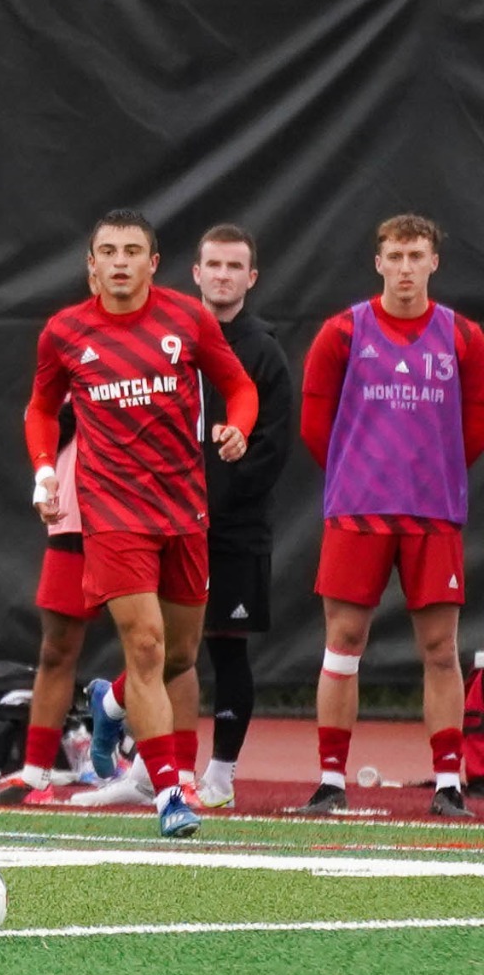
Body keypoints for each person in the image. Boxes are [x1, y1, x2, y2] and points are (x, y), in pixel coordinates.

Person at [26, 209, 255, 838]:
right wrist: (46, 472)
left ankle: (109, 700)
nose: (120, 261)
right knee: (148, 645)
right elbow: (42, 409)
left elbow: (239, 386)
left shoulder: (187, 318)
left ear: (153, 263)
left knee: (180, 656)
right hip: (113, 514)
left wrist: (239, 426)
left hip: (184, 510)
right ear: (91, 264)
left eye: (133, 250)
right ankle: (169, 797)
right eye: (108, 250)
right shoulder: (65, 332)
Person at [294, 214, 484, 819]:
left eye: (416, 256)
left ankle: (449, 783)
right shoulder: (342, 332)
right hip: (357, 512)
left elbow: (475, 426)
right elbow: (314, 425)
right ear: (378, 263)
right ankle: (330, 781)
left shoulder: (465, 338)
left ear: (434, 263)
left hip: (433, 515)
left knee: (439, 649)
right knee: (343, 644)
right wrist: (361, 471)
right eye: (395, 256)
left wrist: (434, 472)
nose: (405, 268)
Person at [192, 225, 292, 808]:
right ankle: (157, 767)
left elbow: (272, 451)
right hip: (168, 526)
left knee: (227, 648)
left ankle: (221, 776)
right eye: (214, 264)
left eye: (235, 266)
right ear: (195, 272)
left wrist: (216, 502)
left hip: (234, 531)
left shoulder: (265, 351)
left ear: (250, 278)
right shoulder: (174, 340)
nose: (223, 274)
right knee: (159, 648)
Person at [0, 408, 99, 806]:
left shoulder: (162, 348)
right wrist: (45, 478)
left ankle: (171, 777)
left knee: (158, 646)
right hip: (71, 516)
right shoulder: (62, 348)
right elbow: (42, 416)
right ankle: (36, 775)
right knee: (56, 649)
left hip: (135, 517)